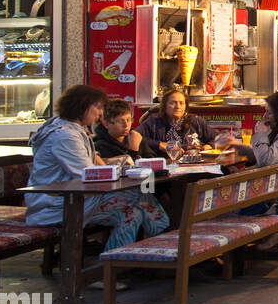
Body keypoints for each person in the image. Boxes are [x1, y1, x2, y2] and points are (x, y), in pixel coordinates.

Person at [25, 84, 169, 255]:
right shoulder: (65, 136)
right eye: (98, 107)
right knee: (139, 195)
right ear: (83, 107)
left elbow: (90, 166)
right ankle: (164, 246)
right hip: (57, 204)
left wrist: (113, 166)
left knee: (133, 212)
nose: (100, 113)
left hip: (74, 198)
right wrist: (123, 168)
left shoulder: (73, 130)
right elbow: (87, 174)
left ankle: (116, 264)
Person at [216, 90, 278, 249]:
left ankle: (225, 254)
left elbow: (266, 160)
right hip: (277, 190)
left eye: (269, 112)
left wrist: (261, 135)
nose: (266, 115)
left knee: (219, 203)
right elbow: (268, 156)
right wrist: (238, 145)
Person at [138, 87, 217, 158]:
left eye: (181, 103)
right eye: (173, 103)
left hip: (193, 165)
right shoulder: (154, 121)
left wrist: (208, 146)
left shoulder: (196, 121)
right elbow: (135, 137)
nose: (178, 107)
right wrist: (159, 145)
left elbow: (217, 139)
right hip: (164, 166)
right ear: (164, 106)